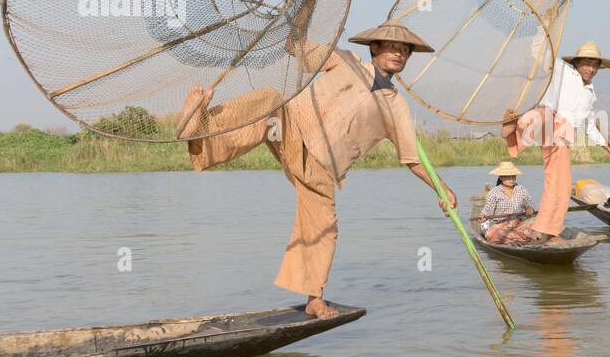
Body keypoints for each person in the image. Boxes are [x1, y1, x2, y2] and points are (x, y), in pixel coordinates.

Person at [178, 21, 456, 319]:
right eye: (392, 47)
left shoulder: (396, 105)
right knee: (269, 101)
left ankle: (314, 298)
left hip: (322, 166)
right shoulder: (346, 60)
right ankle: (201, 128)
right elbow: (295, 45)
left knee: (324, 224)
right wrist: (308, 3)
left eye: (404, 51)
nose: (399, 54)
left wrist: (442, 188)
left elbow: (411, 158)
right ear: (375, 48)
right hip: (291, 127)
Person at [502, 41, 610, 244]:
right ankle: (515, 124)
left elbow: (589, 126)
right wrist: (546, 26)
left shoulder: (590, 95)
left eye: (595, 65)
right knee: (538, 119)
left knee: (561, 185)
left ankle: (546, 230)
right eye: (586, 63)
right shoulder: (563, 70)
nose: (591, 69)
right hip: (548, 118)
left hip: (561, 136)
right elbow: (538, 51)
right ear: (577, 63)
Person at [477, 161, 537, 243]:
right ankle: (518, 238)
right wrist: (483, 217)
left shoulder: (521, 189)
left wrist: (530, 208)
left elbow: (529, 203)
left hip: (518, 222)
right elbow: (487, 212)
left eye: (513, 176)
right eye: (508, 176)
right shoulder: (494, 192)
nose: (511, 179)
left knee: (537, 225)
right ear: (501, 177)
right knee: (491, 235)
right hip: (500, 224)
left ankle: (514, 237)